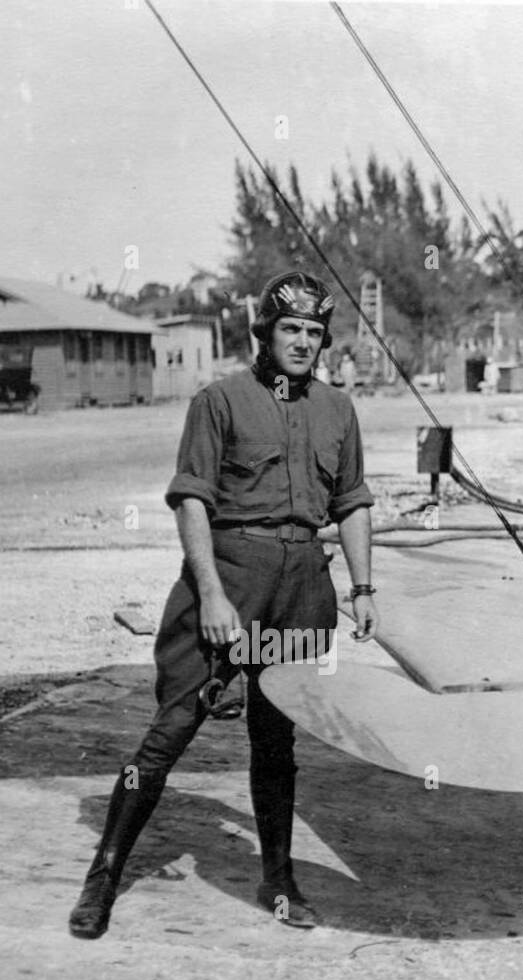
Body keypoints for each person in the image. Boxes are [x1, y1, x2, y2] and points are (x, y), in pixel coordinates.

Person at [68, 270, 378, 939]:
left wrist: (362, 588)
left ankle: (278, 878)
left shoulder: (337, 409)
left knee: (276, 739)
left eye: (313, 333)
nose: (301, 342)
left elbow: (352, 502)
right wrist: (210, 593)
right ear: (260, 332)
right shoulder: (218, 401)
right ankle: (103, 876)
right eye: (289, 329)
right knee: (171, 733)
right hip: (231, 581)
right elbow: (192, 500)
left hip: (301, 590)